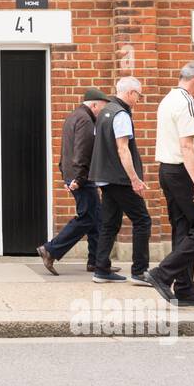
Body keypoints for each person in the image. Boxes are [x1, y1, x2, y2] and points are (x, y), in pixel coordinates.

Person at [145, 63, 194, 308]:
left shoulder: (167, 100)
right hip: (184, 172)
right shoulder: (187, 103)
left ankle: (185, 289)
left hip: (168, 171)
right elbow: (187, 146)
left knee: (184, 230)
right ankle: (162, 274)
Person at [37, 88, 109, 275]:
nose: (102, 112)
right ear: (94, 104)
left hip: (75, 174)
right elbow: (82, 151)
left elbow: (65, 150)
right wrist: (79, 178)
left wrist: (65, 174)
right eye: (101, 107)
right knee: (88, 217)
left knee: (97, 217)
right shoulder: (86, 120)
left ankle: (97, 262)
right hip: (83, 176)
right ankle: (51, 249)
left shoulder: (73, 116)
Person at [89, 77, 151, 284]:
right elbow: (122, 149)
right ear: (131, 93)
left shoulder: (105, 112)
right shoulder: (121, 114)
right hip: (120, 178)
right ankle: (140, 271)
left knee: (109, 223)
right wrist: (135, 179)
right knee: (142, 220)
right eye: (139, 95)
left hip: (105, 178)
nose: (139, 100)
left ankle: (101, 269)